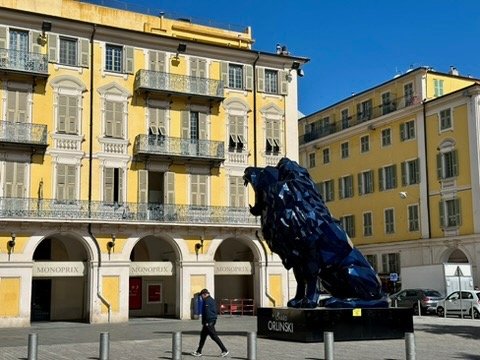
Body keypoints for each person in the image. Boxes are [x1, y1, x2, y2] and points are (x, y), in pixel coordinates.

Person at [191, 289, 229, 357]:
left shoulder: (207, 301)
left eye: (202, 295)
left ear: (205, 294)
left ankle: (224, 350)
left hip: (209, 322)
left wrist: (207, 322)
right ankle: (199, 351)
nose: (201, 297)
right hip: (208, 322)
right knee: (203, 337)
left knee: (214, 337)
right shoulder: (210, 299)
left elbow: (207, 312)